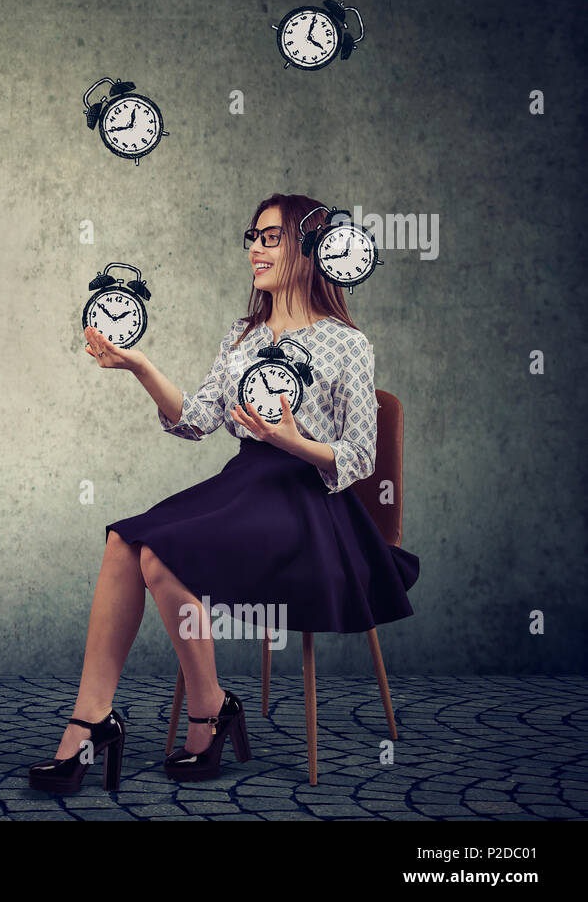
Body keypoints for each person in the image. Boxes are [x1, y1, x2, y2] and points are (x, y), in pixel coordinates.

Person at [27, 192, 420, 793]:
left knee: (157, 554)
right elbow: (195, 419)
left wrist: (294, 441)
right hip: (242, 485)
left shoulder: (348, 344)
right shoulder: (243, 334)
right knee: (123, 541)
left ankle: (208, 713)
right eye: (253, 237)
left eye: (271, 237)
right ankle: (91, 723)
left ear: (309, 247)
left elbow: (361, 457)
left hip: (310, 503)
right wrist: (138, 366)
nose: (255, 250)